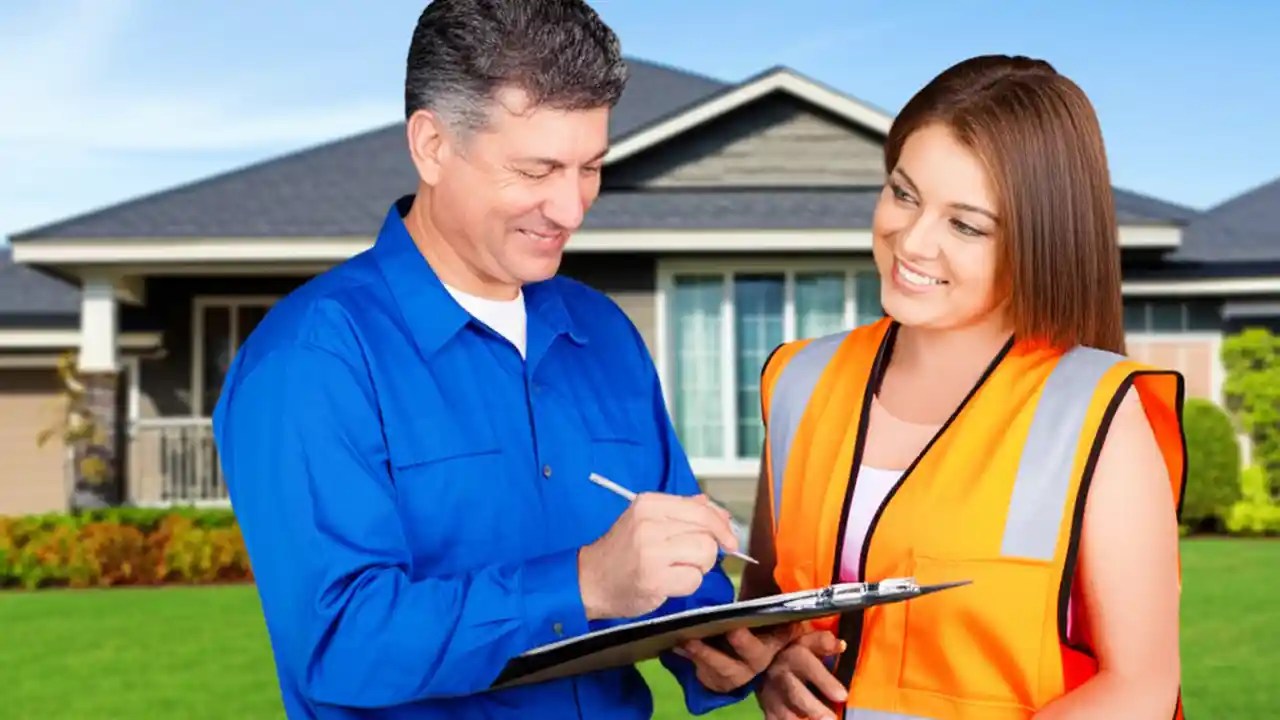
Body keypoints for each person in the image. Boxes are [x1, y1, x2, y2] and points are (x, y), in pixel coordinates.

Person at [211, 1, 788, 717]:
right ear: (432, 145)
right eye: (536, 169)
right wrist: (582, 583)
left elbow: (671, 576)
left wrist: (734, 654)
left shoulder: (604, 335)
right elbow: (336, 641)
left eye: (590, 167)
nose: (571, 209)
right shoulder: (311, 361)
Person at [725, 55, 1187, 719]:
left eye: (965, 225)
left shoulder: (1095, 413)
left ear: (1039, 243)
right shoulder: (799, 380)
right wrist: (775, 665)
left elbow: (1138, 688)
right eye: (903, 193)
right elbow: (768, 609)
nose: (911, 241)